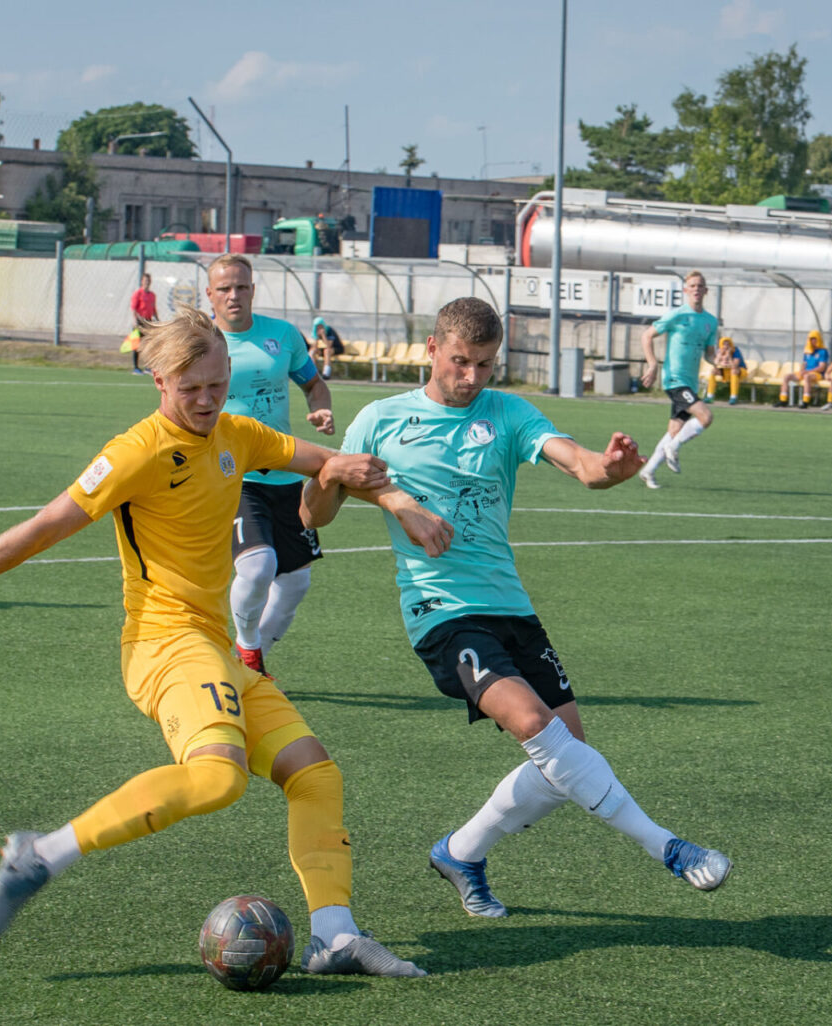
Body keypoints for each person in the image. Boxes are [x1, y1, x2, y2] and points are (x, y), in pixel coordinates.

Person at [0, 305, 424, 977]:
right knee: (218, 777)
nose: (205, 400)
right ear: (159, 382)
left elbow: (331, 463)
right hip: (164, 642)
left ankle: (335, 936)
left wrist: (396, 499)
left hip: (214, 647)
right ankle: (40, 855)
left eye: (216, 385)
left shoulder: (238, 434)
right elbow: (44, 526)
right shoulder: (135, 452)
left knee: (314, 774)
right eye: (189, 388)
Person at [302, 297, 732, 920]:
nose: (471, 377)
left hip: (512, 606)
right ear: (432, 349)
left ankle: (461, 852)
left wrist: (611, 468)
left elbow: (581, 465)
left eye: (484, 364)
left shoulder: (507, 412)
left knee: (568, 759)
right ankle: (665, 845)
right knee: (535, 725)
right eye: (460, 361)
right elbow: (312, 515)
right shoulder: (379, 419)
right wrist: (330, 477)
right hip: (441, 610)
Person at [206, 254, 335, 676]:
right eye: (224, 288)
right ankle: (248, 652)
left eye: (241, 287)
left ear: (252, 290)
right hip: (233, 475)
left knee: (296, 582)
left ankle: (247, 666)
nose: (234, 295)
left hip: (287, 472)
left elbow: (313, 384)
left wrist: (321, 409)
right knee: (258, 566)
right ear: (210, 294)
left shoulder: (282, 335)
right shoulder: (202, 342)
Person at [637, 270, 718, 489]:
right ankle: (673, 447)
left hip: (690, 382)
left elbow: (710, 354)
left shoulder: (710, 321)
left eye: (700, 286)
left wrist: (718, 362)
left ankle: (648, 471)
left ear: (706, 290)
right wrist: (652, 364)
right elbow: (647, 335)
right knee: (706, 416)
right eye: (692, 286)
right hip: (674, 379)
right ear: (685, 290)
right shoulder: (677, 315)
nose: (696, 289)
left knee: (674, 429)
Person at [779, 331, 829, 408]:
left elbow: (822, 367)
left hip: (817, 374)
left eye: (814, 339)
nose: (813, 341)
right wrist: (802, 370)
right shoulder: (807, 350)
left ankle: (805, 401)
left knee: (807, 377)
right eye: (811, 339)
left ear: (818, 339)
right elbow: (804, 363)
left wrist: (807, 371)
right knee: (787, 376)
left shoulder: (823, 351)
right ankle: (783, 400)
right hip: (806, 372)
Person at [128, 272, 157, 374]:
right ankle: (136, 368)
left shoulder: (152, 295)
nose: (147, 282)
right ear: (142, 281)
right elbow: (134, 308)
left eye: (148, 280)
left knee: (148, 344)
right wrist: (135, 320)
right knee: (137, 345)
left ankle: (148, 367)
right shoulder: (138, 293)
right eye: (145, 280)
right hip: (139, 321)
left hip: (148, 322)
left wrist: (157, 319)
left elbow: (153, 308)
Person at [707, 335, 746, 404]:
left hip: (739, 371)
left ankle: (733, 397)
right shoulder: (720, 351)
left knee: (733, 371)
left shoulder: (735, 351)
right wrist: (719, 356)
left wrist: (729, 355)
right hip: (726, 371)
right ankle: (710, 396)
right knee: (713, 371)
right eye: (724, 344)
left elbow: (734, 366)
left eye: (728, 344)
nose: (726, 346)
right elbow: (715, 364)